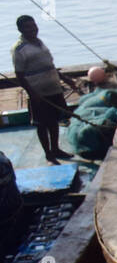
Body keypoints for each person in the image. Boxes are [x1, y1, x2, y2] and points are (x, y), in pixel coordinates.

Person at [11, 15, 78, 163]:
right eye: (28, 27)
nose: (33, 29)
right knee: (42, 124)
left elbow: (50, 65)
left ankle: (56, 149)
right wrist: (32, 93)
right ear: (20, 30)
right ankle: (48, 153)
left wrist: (65, 79)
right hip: (38, 93)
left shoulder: (39, 42)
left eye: (34, 25)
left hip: (53, 88)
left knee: (54, 121)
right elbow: (20, 75)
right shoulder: (19, 49)